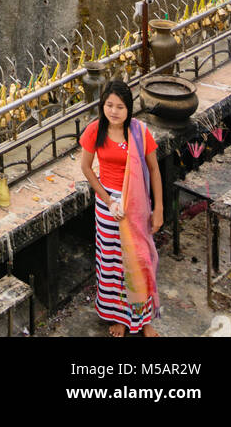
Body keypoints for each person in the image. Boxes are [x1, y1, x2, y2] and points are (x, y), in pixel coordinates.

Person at [79, 80, 162, 338]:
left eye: (120, 107)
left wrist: (158, 209)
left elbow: (154, 170)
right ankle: (120, 319)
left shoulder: (139, 133)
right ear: (102, 106)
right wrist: (108, 200)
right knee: (114, 264)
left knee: (140, 261)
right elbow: (86, 169)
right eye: (109, 105)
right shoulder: (94, 131)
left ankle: (145, 320)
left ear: (129, 109)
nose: (114, 111)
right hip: (108, 208)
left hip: (137, 205)